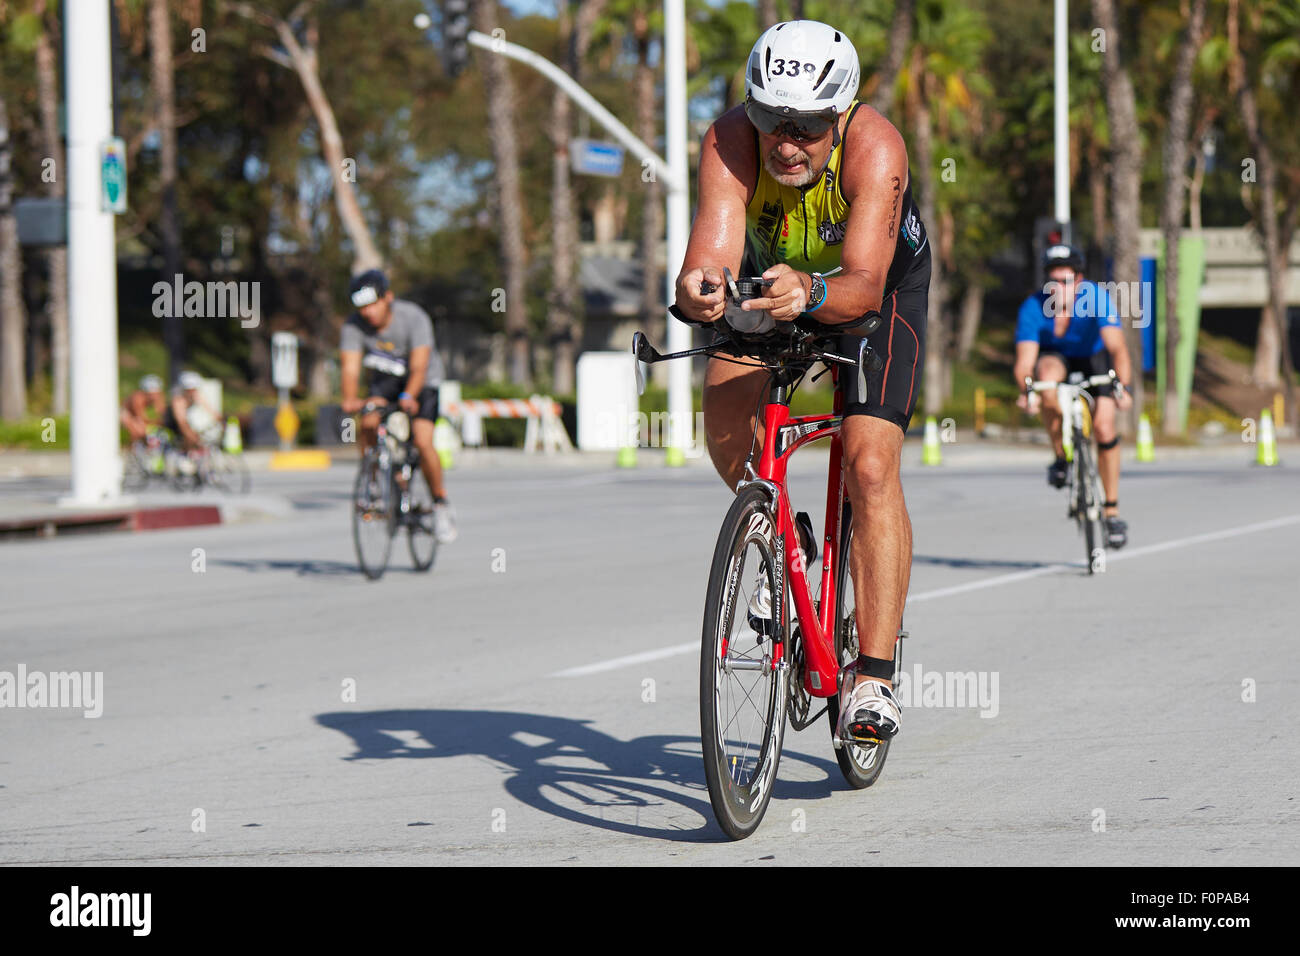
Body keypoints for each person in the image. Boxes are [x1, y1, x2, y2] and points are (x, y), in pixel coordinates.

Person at [672, 20, 930, 750]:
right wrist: (699, 291)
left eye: (808, 127)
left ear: (839, 116)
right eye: (769, 118)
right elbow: (710, 258)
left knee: (869, 460)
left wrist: (812, 293)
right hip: (771, 275)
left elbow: (862, 289)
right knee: (723, 420)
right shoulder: (727, 141)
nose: (785, 141)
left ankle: (873, 674)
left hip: (869, 288)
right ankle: (781, 534)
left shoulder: (874, 148)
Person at [1013, 244, 1134, 548]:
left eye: (1065, 282)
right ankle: (1061, 457)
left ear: (1079, 281)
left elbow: (1118, 349)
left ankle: (1112, 510)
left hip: (1094, 360)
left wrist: (1123, 387)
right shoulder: (1033, 306)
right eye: (1053, 282)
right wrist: (1027, 391)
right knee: (1045, 379)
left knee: (1105, 427)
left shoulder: (1095, 298)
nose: (1059, 289)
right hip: (1057, 360)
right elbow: (1025, 362)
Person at [339, 269, 457, 544]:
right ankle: (375, 485)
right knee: (368, 422)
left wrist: (409, 396)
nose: (367, 312)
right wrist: (349, 399)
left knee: (423, 439)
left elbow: (419, 366)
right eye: (362, 307)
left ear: (387, 298)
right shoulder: (353, 326)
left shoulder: (412, 318)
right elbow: (350, 368)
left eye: (372, 304)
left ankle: (440, 504)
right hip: (386, 381)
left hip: (422, 381)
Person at [165, 370, 220, 452]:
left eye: (193, 389)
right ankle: (183, 453)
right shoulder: (178, 401)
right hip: (172, 422)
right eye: (189, 390)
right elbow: (181, 422)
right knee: (189, 436)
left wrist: (220, 420)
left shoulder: (195, 395)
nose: (192, 392)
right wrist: (193, 436)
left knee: (195, 434)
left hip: (185, 421)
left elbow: (211, 411)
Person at [121, 374, 168, 443]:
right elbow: (141, 418)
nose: (154, 396)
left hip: (137, 415)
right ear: (145, 392)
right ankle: (131, 447)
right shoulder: (137, 398)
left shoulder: (159, 397)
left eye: (156, 393)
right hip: (125, 412)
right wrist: (156, 422)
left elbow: (162, 415)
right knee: (139, 430)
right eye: (151, 394)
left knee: (158, 430)